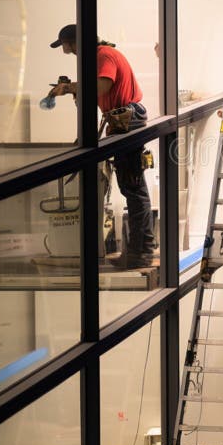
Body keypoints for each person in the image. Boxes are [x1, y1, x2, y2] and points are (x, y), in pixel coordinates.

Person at [49, 24, 157, 269]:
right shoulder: (101, 56)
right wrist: (73, 88)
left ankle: (141, 252)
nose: (68, 52)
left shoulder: (104, 56)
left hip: (127, 118)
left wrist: (71, 87)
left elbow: (102, 86)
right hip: (121, 119)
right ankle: (141, 250)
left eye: (67, 46)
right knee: (132, 188)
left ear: (77, 42)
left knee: (133, 188)